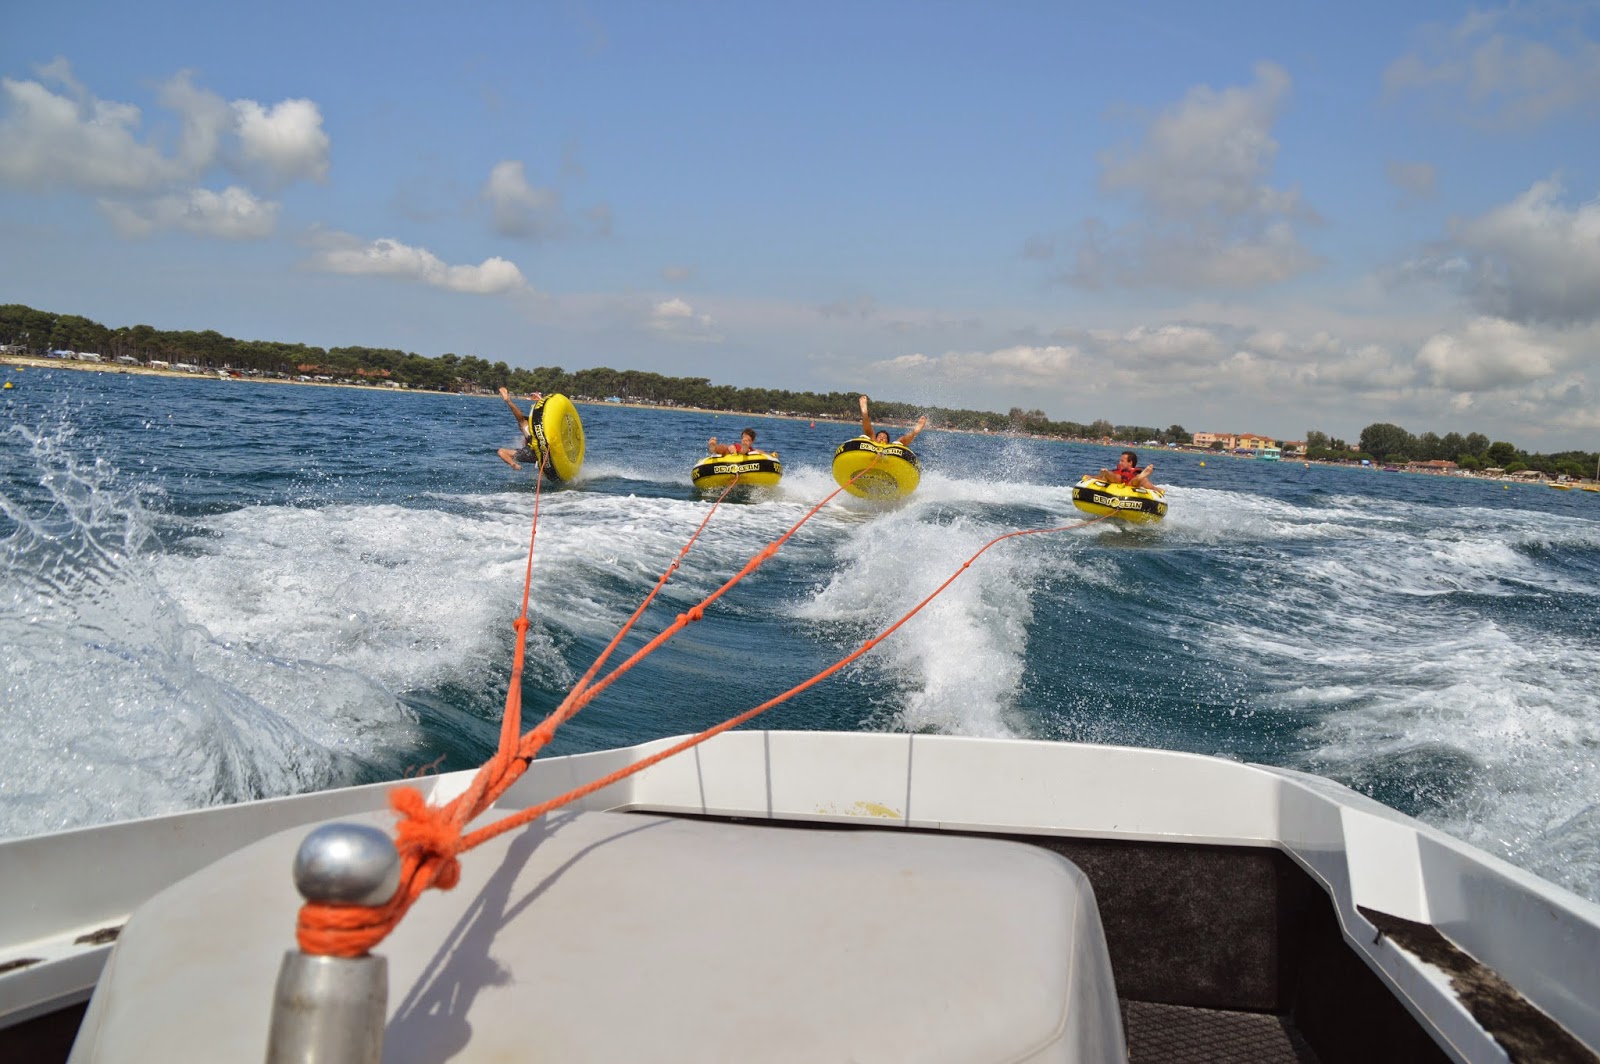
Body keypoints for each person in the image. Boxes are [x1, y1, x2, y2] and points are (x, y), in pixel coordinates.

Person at [497, 386, 549, 471]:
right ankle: (514, 464)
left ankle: (513, 464)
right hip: (539, 452)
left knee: (501, 451)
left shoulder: (525, 425)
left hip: (531, 454)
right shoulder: (542, 425)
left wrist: (508, 401)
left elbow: (518, 416)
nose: (519, 427)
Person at [859, 395, 927, 447]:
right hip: (871, 449)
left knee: (899, 442)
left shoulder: (889, 447)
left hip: (889, 454)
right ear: (876, 438)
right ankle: (864, 413)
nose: (882, 438)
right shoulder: (873, 442)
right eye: (879, 436)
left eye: (884, 437)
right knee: (870, 435)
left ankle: (915, 432)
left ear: (888, 442)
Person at [707, 427, 775, 457]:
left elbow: (761, 452)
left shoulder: (753, 451)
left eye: (747, 440)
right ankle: (714, 447)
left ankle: (745, 448)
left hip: (743, 453)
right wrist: (732, 449)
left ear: (752, 441)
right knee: (725, 448)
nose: (744, 441)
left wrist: (771, 455)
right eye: (743, 439)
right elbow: (731, 448)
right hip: (732, 453)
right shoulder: (736, 446)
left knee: (746, 451)